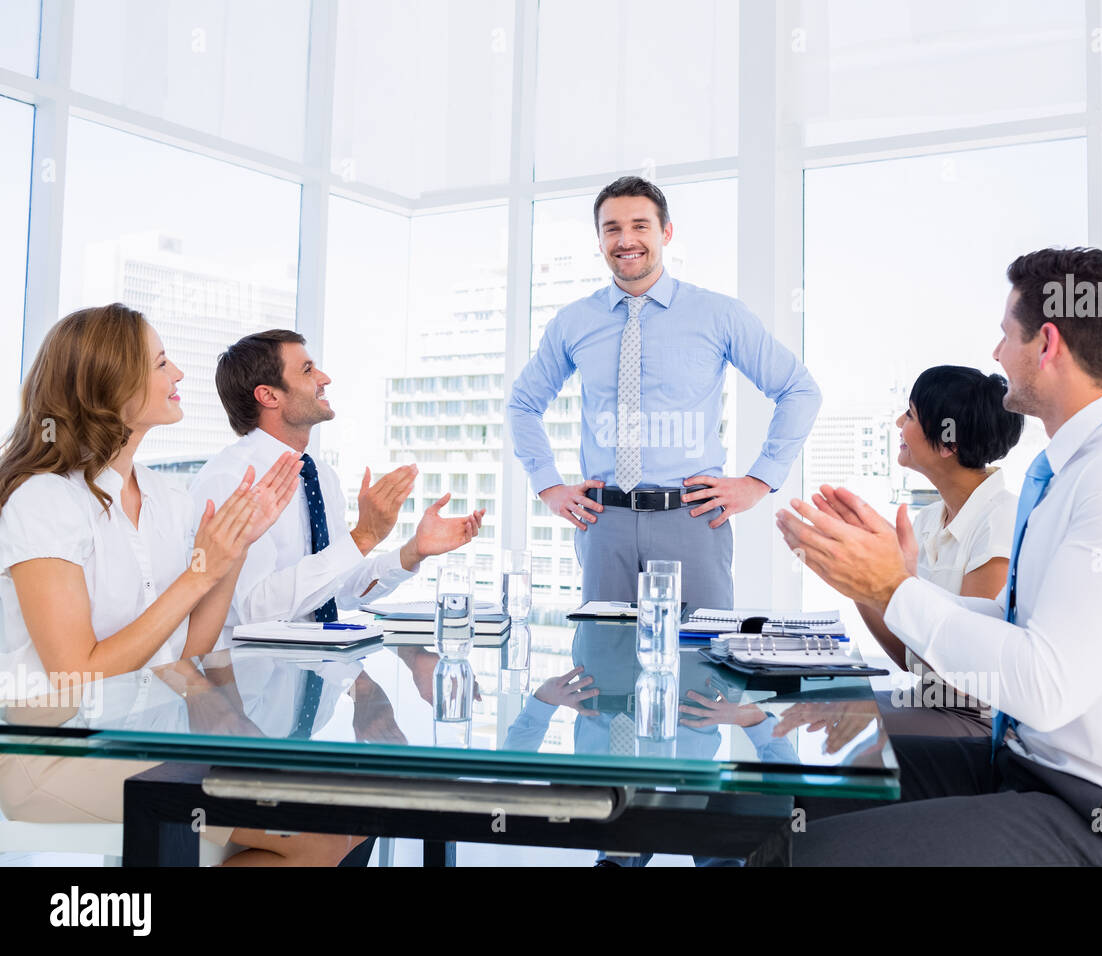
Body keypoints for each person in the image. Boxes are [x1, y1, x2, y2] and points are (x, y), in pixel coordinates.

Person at [775, 248, 1102, 865]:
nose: (996, 355)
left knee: (815, 857)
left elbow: (1044, 685)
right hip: (1028, 772)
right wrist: (884, 576)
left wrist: (893, 589)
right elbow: (1016, 631)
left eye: (1004, 334)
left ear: (1046, 344)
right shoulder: (1073, 471)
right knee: (786, 794)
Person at [0, 304, 359, 865]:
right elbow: (82, 670)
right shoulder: (45, 499)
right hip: (53, 750)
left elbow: (188, 654)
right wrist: (200, 571)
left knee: (349, 811)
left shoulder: (168, 499)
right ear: (108, 384)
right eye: (161, 363)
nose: (179, 376)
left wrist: (232, 553)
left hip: (151, 731)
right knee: (319, 832)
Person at [507, 176, 821, 609]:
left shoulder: (719, 314)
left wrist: (759, 480)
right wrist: (548, 485)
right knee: (604, 664)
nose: (625, 240)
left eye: (640, 226)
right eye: (612, 228)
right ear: (599, 240)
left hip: (691, 520)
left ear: (665, 233)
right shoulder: (573, 322)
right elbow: (523, 404)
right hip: (604, 523)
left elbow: (798, 390)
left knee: (700, 665)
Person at [189, 330, 484, 645]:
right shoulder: (231, 479)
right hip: (255, 678)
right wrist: (363, 536)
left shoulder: (319, 475)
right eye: (307, 370)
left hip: (314, 671)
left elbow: (341, 588)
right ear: (270, 396)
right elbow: (254, 610)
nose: (324, 378)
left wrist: (413, 551)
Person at [849, 365, 1022, 737]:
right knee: (823, 705)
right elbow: (912, 659)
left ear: (948, 443)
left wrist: (892, 586)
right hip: (929, 704)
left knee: (843, 721)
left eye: (910, 414)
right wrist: (860, 582)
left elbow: (968, 679)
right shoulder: (928, 520)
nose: (899, 421)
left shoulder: (999, 524)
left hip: (977, 723)